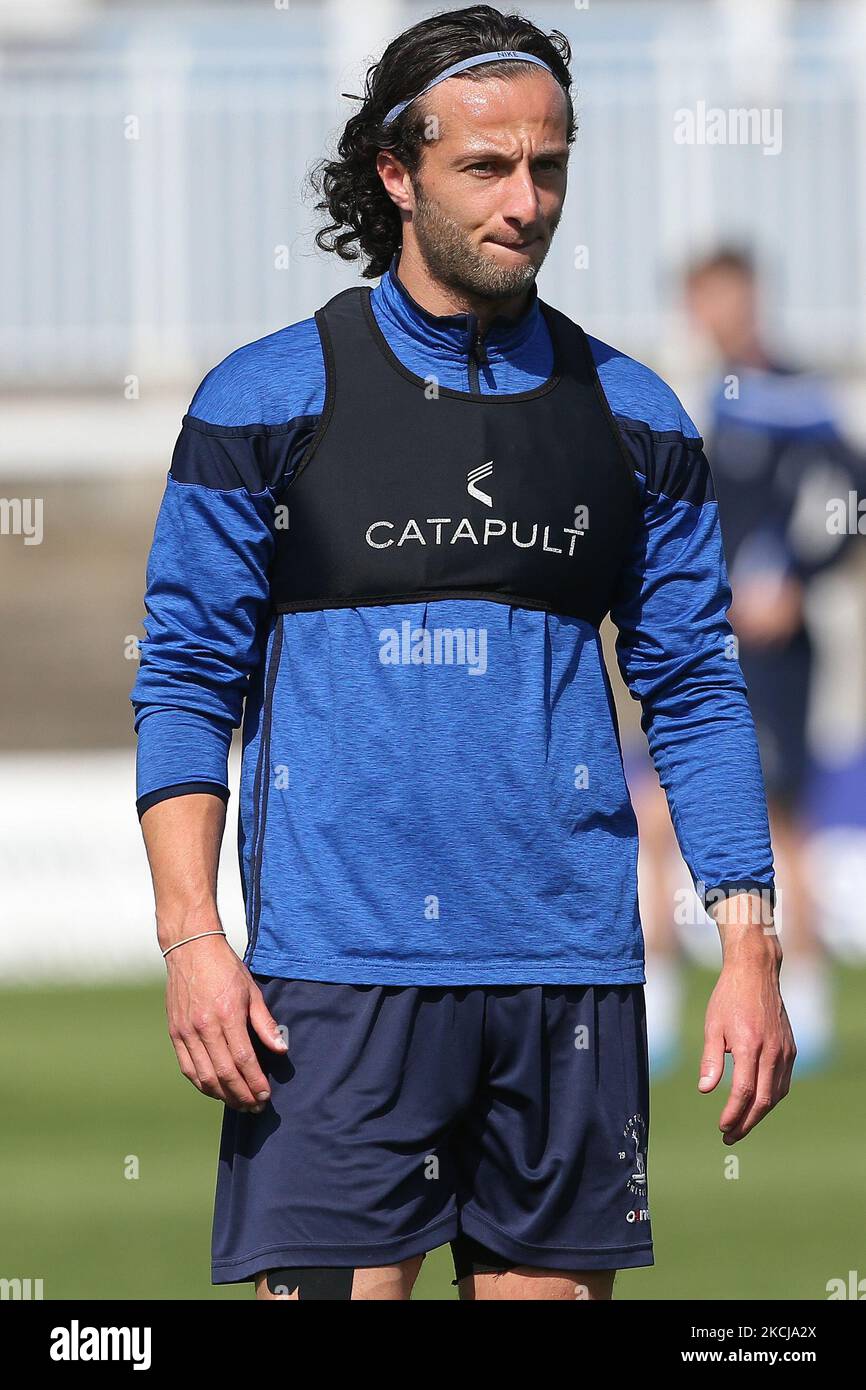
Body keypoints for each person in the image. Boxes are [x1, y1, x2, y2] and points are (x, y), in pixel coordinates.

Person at [130, 6, 795, 1302]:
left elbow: (697, 694)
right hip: (330, 988)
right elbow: (184, 680)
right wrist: (191, 935)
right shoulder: (262, 400)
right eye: (485, 168)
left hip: (570, 986)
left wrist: (748, 948)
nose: (525, 200)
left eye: (547, 166)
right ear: (396, 172)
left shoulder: (635, 417)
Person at [634, 246, 862, 1076]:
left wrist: (795, 579)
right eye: (702, 301)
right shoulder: (691, 393)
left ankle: (806, 1001)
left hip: (770, 649)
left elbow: (855, 497)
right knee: (653, 813)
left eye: (727, 298)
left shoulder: (788, 391)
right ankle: (654, 1010)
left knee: (784, 823)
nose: (716, 314)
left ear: (753, 299)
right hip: (691, 639)